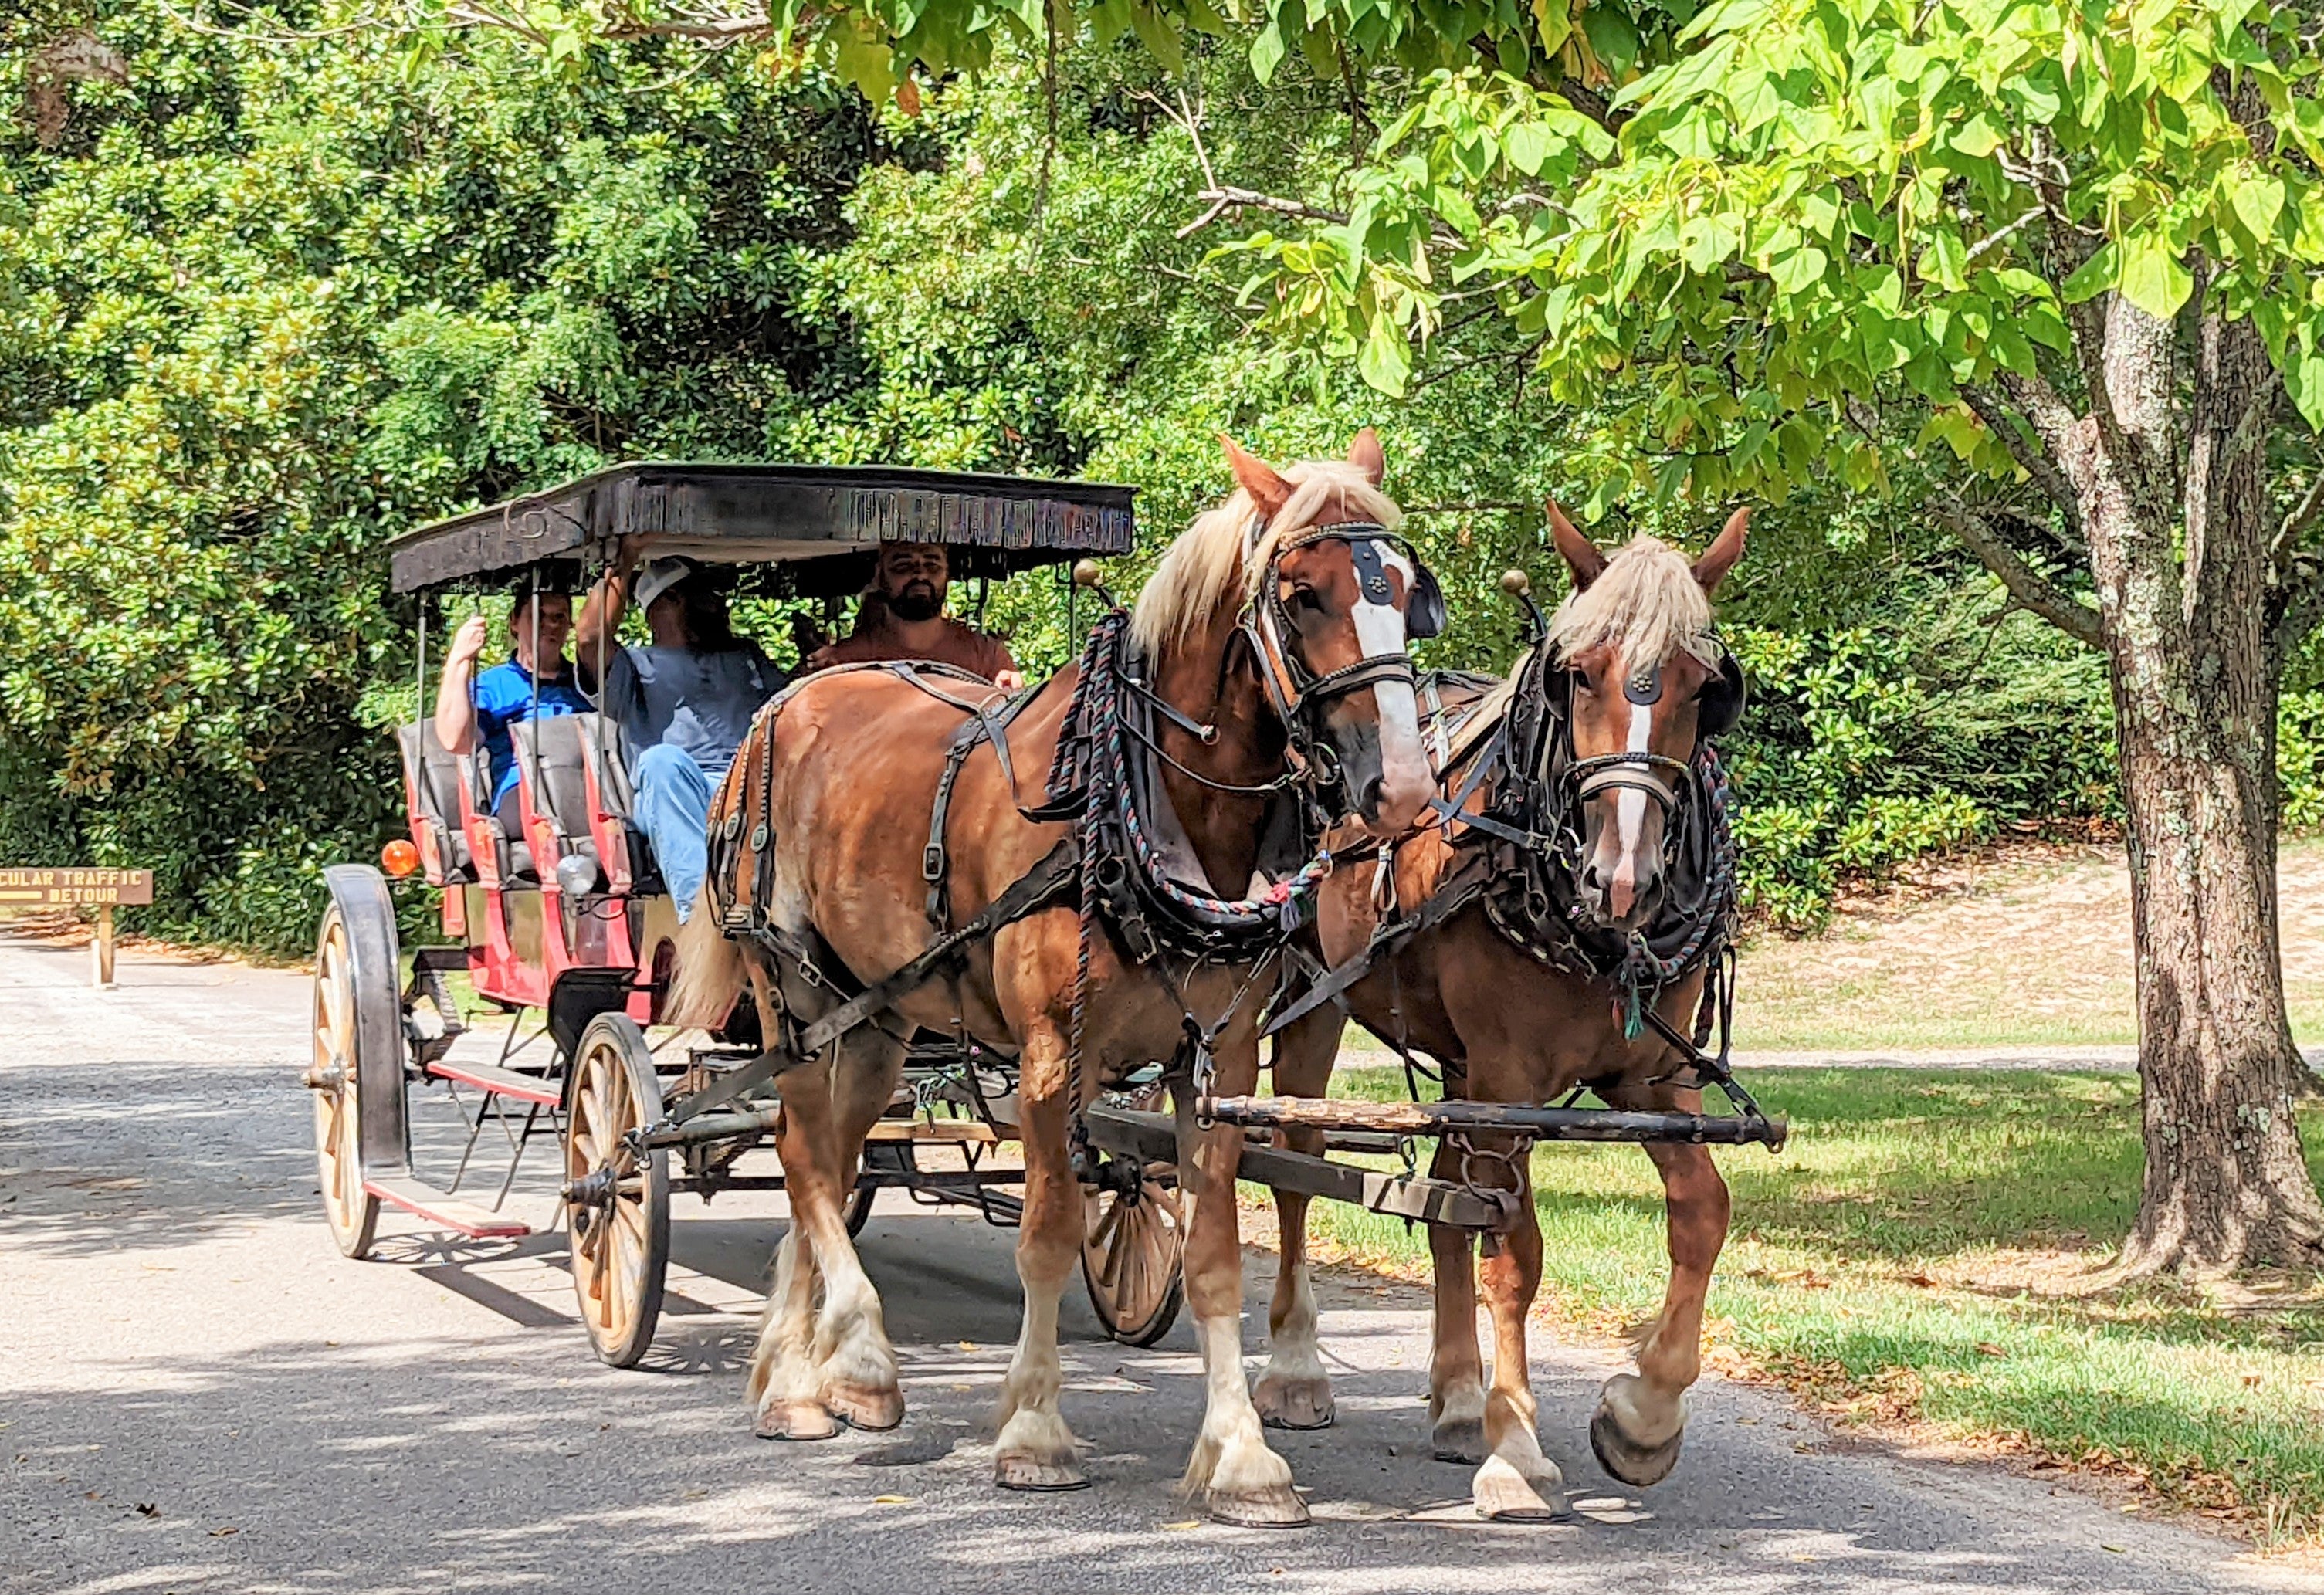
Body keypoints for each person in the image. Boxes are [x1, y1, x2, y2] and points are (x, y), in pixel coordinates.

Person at [574, 542, 788, 919]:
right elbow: (590, 639)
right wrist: (623, 565)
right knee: (661, 761)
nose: (720, 603)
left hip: (755, 788)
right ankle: (702, 916)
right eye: (705, 593)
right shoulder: (634, 666)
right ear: (668, 600)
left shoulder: (747, 656)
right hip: (680, 793)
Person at [434, 579, 592, 842]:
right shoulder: (493, 685)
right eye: (538, 615)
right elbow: (456, 741)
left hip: (584, 788)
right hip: (523, 790)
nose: (550, 624)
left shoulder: (586, 684)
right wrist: (459, 659)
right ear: (515, 621)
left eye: (559, 617)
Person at [806, 540, 1024, 688]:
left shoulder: (987, 658)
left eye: (932, 564)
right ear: (879, 576)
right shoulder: (843, 661)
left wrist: (1010, 691)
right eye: (903, 565)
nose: (920, 573)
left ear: (947, 575)